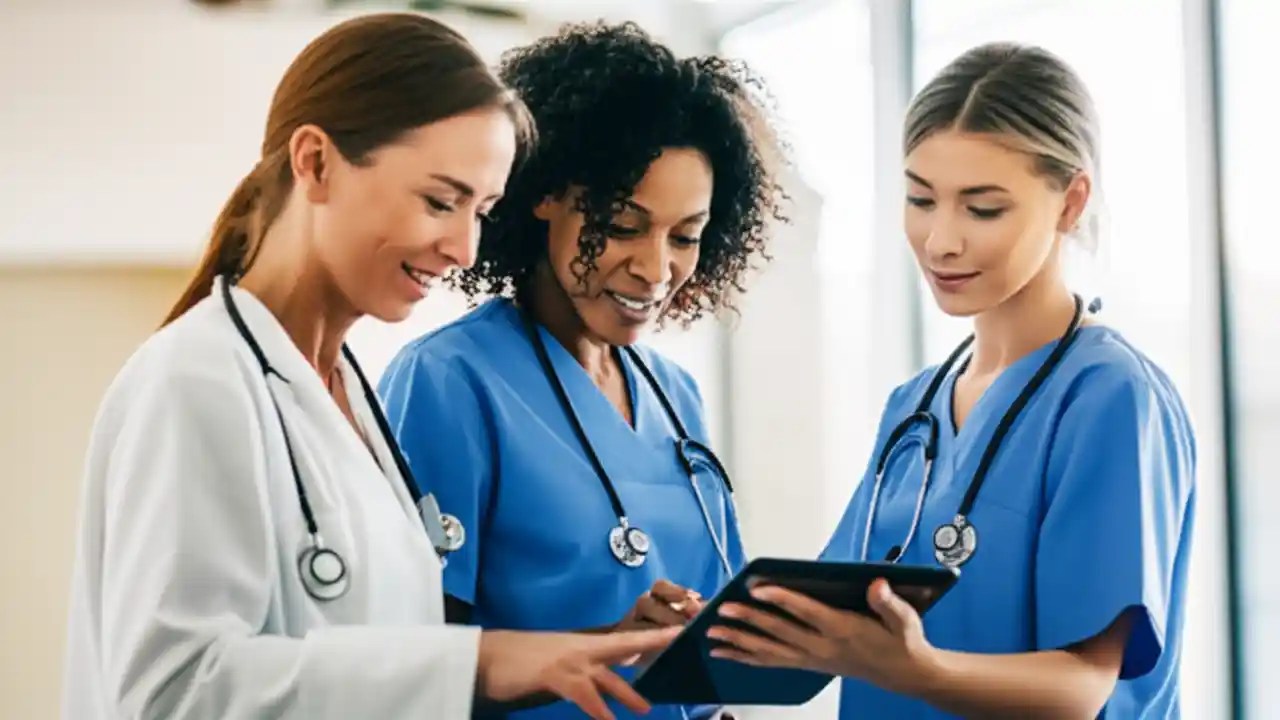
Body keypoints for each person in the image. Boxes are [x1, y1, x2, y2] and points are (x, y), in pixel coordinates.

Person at [61, 14, 681, 720]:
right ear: (316, 163)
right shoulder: (194, 381)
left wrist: (577, 654)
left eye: (482, 211)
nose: (465, 250)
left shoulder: (348, 396)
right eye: (440, 201)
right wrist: (477, 662)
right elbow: (173, 693)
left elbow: (386, 662)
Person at [703, 42, 1197, 719]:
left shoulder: (1110, 396)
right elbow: (828, 632)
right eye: (920, 199)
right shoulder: (914, 411)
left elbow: (1084, 688)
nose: (940, 241)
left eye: (982, 208)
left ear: (1071, 202)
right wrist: (705, 628)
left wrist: (921, 670)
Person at [377, 20, 788, 720]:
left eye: (685, 236)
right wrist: (608, 647)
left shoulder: (674, 395)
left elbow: (702, 654)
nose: (656, 269)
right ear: (544, 194)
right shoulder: (450, 383)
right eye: (623, 226)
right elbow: (408, 671)